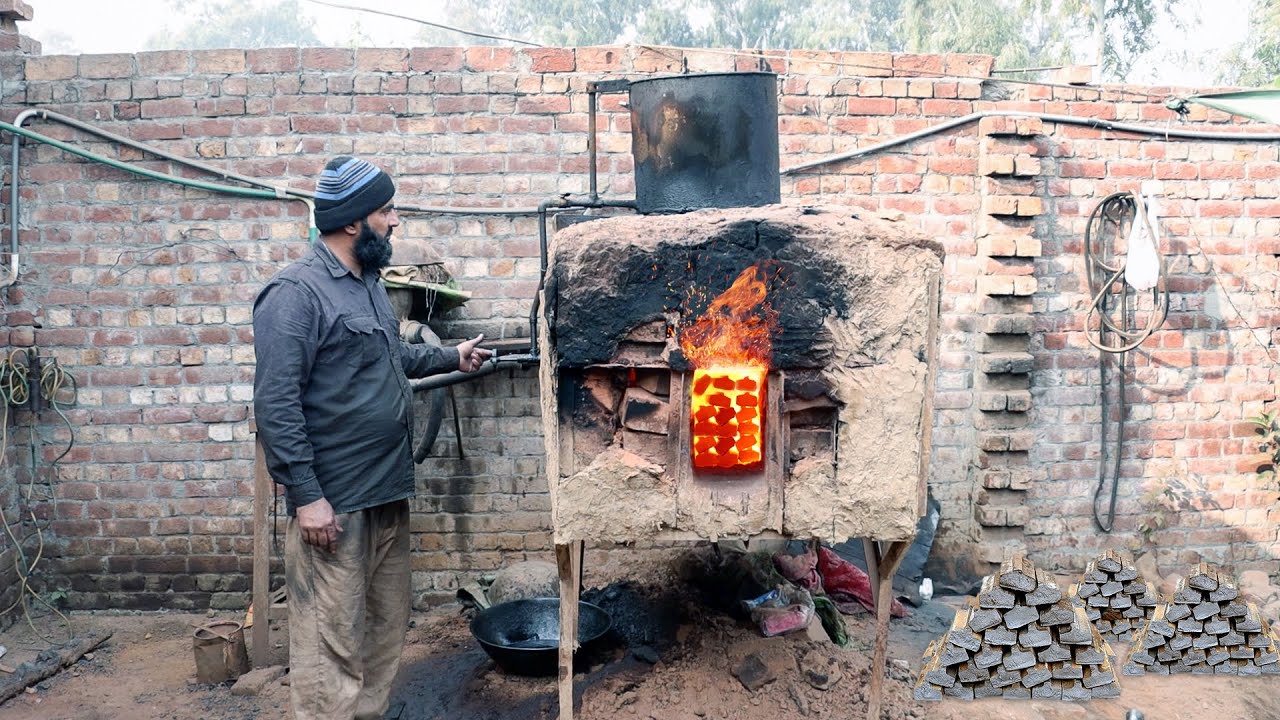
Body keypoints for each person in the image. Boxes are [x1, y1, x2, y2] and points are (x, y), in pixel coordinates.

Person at [253, 156, 492, 720]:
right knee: (328, 648)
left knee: (384, 633)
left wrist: (450, 355)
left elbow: (389, 357)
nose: (396, 221)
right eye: (387, 210)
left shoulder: (367, 286)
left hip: (386, 494)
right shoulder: (296, 294)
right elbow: (276, 404)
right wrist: (307, 496)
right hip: (334, 507)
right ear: (356, 220)